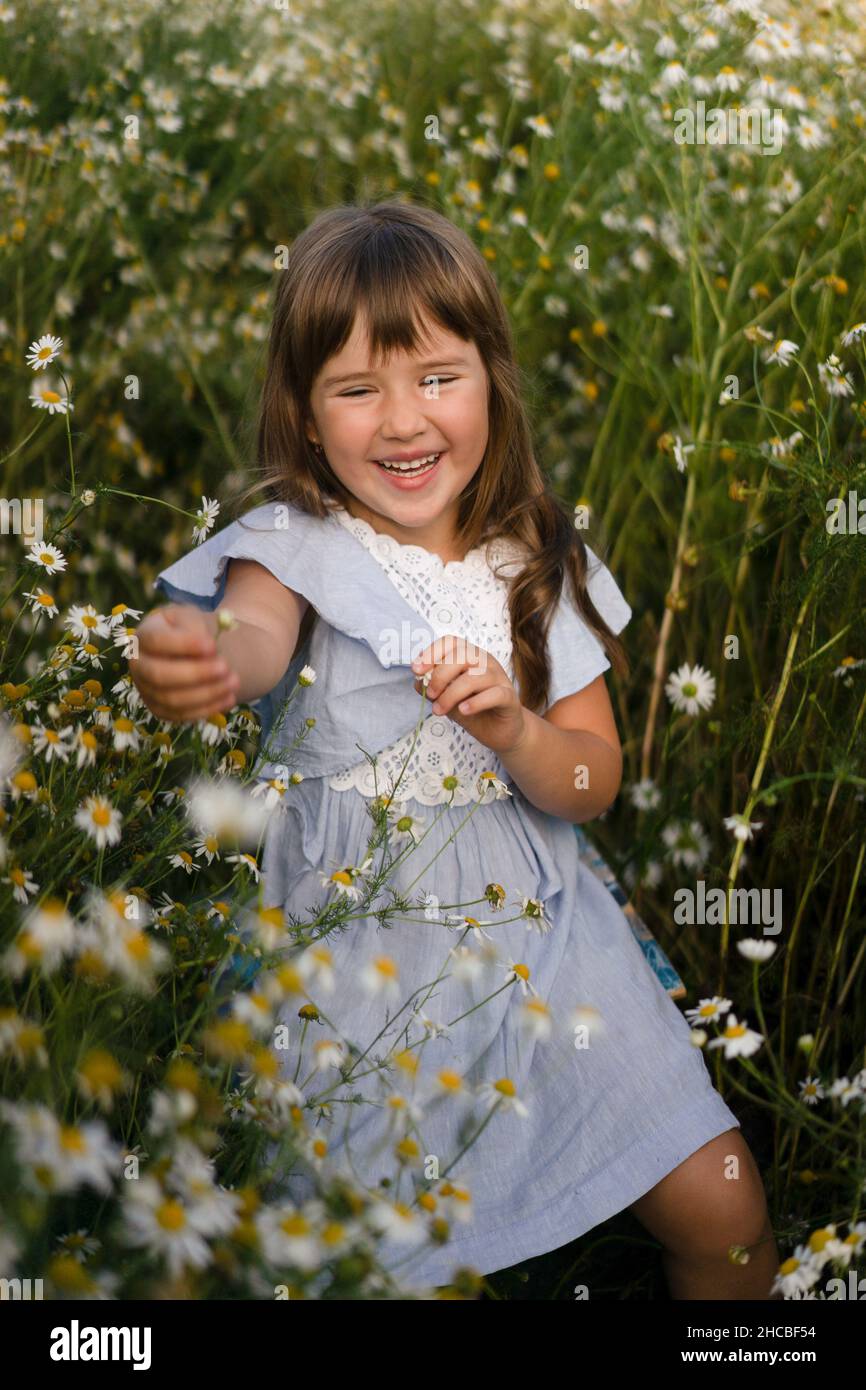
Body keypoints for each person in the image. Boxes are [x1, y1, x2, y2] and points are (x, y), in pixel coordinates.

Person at [130, 199, 780, 1298]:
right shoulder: (292, 545)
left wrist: (517, 731)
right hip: (351, 956)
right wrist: (189, 652)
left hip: (542, 934)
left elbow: (591, 778)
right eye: (355, 388)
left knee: (725, 1207)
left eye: (435, 376)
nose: (400, 420)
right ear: (302, 410)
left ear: (490, 376)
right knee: (369, 1258)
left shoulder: (533, 558)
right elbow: (247, 644)